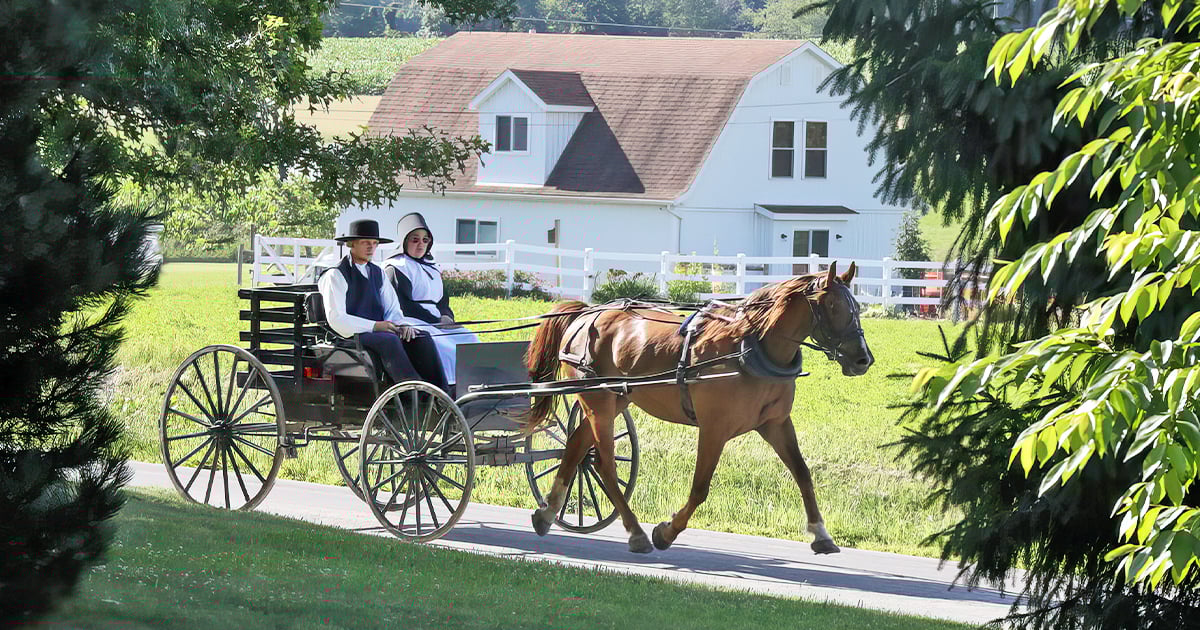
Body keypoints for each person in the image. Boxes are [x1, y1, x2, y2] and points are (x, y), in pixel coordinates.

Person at [318, 219, 449, 393]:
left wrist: (401, 324)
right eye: (365, 242)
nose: (371, 247)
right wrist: (376, 326)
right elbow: (337, 319)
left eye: (374, 243)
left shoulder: (377, 272)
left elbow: (392, 308)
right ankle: (412, 393)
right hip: (350, 335)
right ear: (351, 244)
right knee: (389, 340)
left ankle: (441, 392)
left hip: (378, 331)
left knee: (420, 337)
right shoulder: (336, 274)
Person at [383, 212, 480, 395]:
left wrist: (446, 316)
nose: (421, 244)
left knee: (469, 338)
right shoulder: (396, 267)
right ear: (404, 241)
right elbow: (403, 305)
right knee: (443, 345)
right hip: (410, 321)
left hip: (437, 322)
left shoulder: (432, 267)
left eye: (425, 240)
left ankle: (472, 384)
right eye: (415, 240)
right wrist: (435, 320)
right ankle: (448, 389)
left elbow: (443, 300)